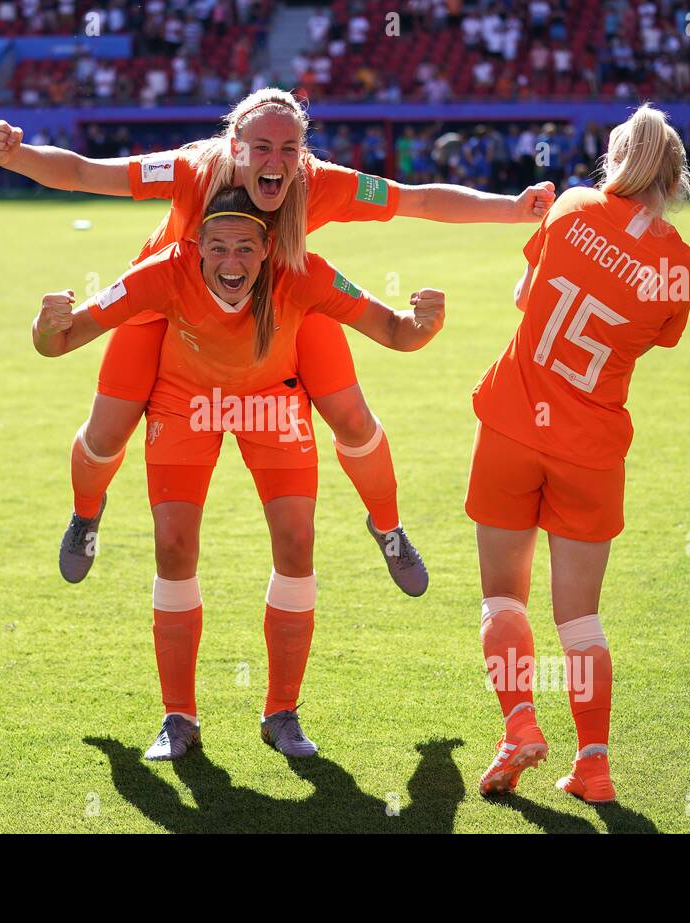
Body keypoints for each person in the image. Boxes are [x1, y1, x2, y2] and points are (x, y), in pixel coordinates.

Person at [0, 88, 553, 596]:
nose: (276, 161)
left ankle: (388, 526)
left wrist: (510, 209)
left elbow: (417, 199)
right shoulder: (191, 170)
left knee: (353, 418)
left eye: (289, 149)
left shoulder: (321, 183)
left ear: (303, 152)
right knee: (106, 433)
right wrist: (17, 156)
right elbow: (88, 173)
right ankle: (87, 515)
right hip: (169, 302)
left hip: (283, 301)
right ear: (235, 146)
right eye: (261, 147)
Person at [32, 188, 445, 760]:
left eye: (246, 248)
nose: (232, 262)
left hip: (270, 397)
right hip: (185, 398)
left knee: (298, 542)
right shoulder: (162, 271)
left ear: (269, 247)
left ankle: (282, 713)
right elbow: (60, 340)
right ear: (196, 243)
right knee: (173, 546)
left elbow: (398, 332)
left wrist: (425, 323)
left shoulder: (303, 272)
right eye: (218, 246)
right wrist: (45, 324)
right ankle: (178, 716)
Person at [466, 104, 690, 803]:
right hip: (591, 446)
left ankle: (518, 725)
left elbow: (525, 294)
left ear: (616, 158)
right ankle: (593, 766)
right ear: (676, 175)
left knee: (503, 595)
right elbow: (655, 337)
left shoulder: (570, 204)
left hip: (511, 424)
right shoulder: (684, 267)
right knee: (580, 619)